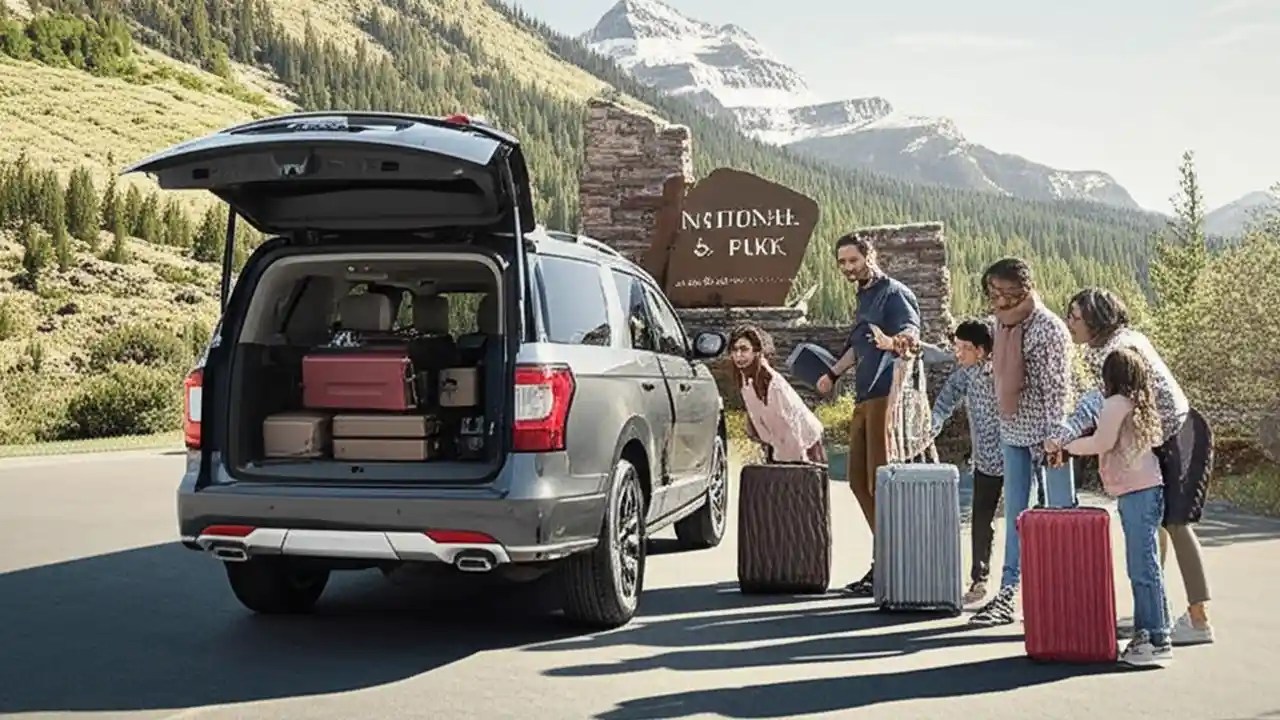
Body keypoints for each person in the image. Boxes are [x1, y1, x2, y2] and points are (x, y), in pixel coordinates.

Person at [1047, 287, 1215, 646]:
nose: (1069, 323)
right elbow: (1100, 402)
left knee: (1175, 522)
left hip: (1180, 433)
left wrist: (1065, 436)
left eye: (1075, 317)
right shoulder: (1110, 345)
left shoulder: (1118, 349)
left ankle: (1199, 620)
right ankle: (1155, 612)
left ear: (1096, 319)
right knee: (1158, 525)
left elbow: (1098, 402)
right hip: (1160, 437)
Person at [968, 257, 1076, 627]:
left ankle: (1063, 598)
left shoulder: (1048, 329)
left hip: (1050, 441)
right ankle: (1009, 593)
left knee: (1059, 519)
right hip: (1013, 433)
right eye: (992, 291)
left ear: (1023, 289)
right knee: (1017, 517)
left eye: (1003, 291)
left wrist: (1056, 440)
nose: (996, 299)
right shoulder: (1001, 326)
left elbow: (1057, 389)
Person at [816, 232, 922, 596]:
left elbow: (911, 335)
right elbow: (858, 344)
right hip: (862, 397)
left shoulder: (894, 293)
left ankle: (892, 563)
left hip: (885, 396)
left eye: (853, 260)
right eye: (842, 262)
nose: (848, 267)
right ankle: (887, 557)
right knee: (859, 482)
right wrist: (832, 374)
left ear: (868, 255)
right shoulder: (864, 296)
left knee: (881, 483)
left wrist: (892, 342)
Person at [1064, 347, 1173, 668]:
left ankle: (1153, 637)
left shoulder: (1114, 405)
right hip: (1147, 489)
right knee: (1147, 565)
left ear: (1110, 376)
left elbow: (1101, 442)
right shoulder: (1137, 404)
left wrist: (1067, 446)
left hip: (1137, 492)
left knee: (1142, 568)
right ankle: (1156, 632)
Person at [928, 318, 1003, 606]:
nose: (958, 354)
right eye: (956, 347)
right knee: (981, 520)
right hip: (984, 459)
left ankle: (1022, 580)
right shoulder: (965, 375)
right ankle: (979, 578)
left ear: (982, 350)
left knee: (1023, 520)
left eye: (964, 348)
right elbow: (946, 401)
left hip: (1017, 457)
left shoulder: (1001, 371)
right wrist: (932, 426)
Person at [728, 325, 826, 464]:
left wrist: (800, 460)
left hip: (807, 444)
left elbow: (792, 424)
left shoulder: (774, 384)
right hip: (781, 446)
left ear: (756, 352)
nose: (738, 355)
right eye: (734, 350)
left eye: (744, 349)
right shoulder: (746, 383)